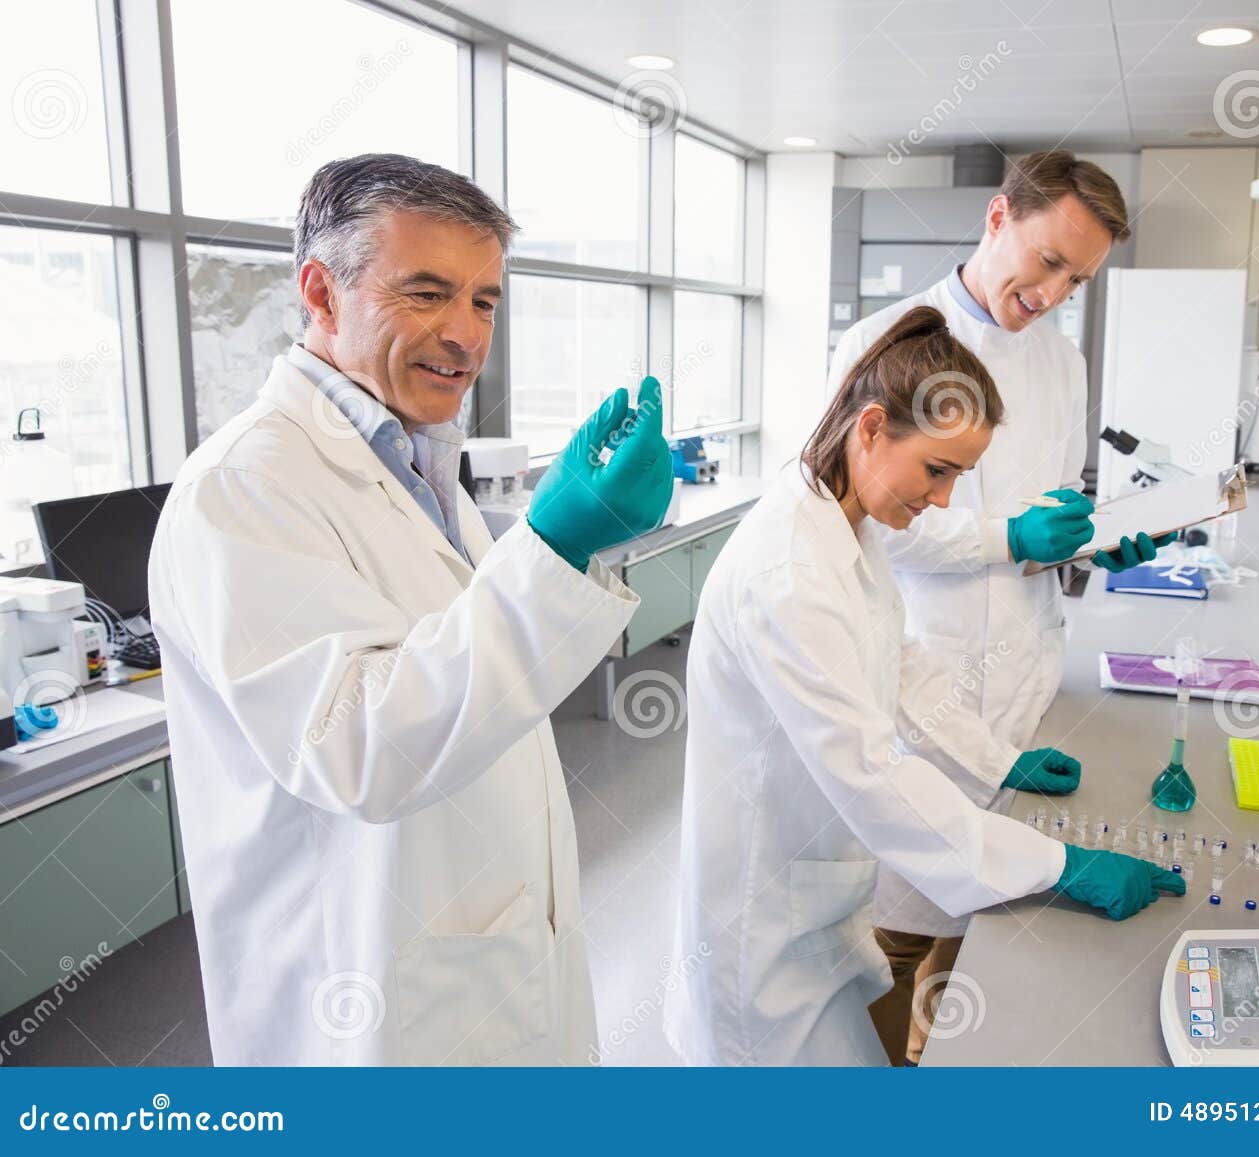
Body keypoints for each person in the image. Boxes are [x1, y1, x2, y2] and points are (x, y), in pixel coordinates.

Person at [148, 154, 673, 1065]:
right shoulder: (242, 488)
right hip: (363, 999)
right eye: (427, 293)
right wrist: (551, 549)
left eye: (484, 300)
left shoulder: (417, 461)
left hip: (486, 951)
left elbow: (466, 672)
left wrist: (554, 548)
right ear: (321, 293)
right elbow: (357, 746)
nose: (465, 334)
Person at [663, 306, 1183, 1066]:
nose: (943, 500)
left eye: (958, 477)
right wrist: (1057, 865)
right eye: (938, 471)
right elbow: (871, 774)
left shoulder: (842, 520)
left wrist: (997, 759)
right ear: (872, 428)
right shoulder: (789, 573)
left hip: (814, 905)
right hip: (761, 937)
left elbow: (896, 661)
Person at [826, 151, 1170, 1065]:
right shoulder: (883, 340)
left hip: (1023, 681)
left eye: (1078, 280)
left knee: (990, 940)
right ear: (997, 217)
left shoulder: (1063, 361)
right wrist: (1007, 537)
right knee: (896, 930)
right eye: (1048, 260)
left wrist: (1089, 542)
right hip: (919, 674)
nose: (1054, 294)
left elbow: (1053, 505)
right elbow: (867, 522)